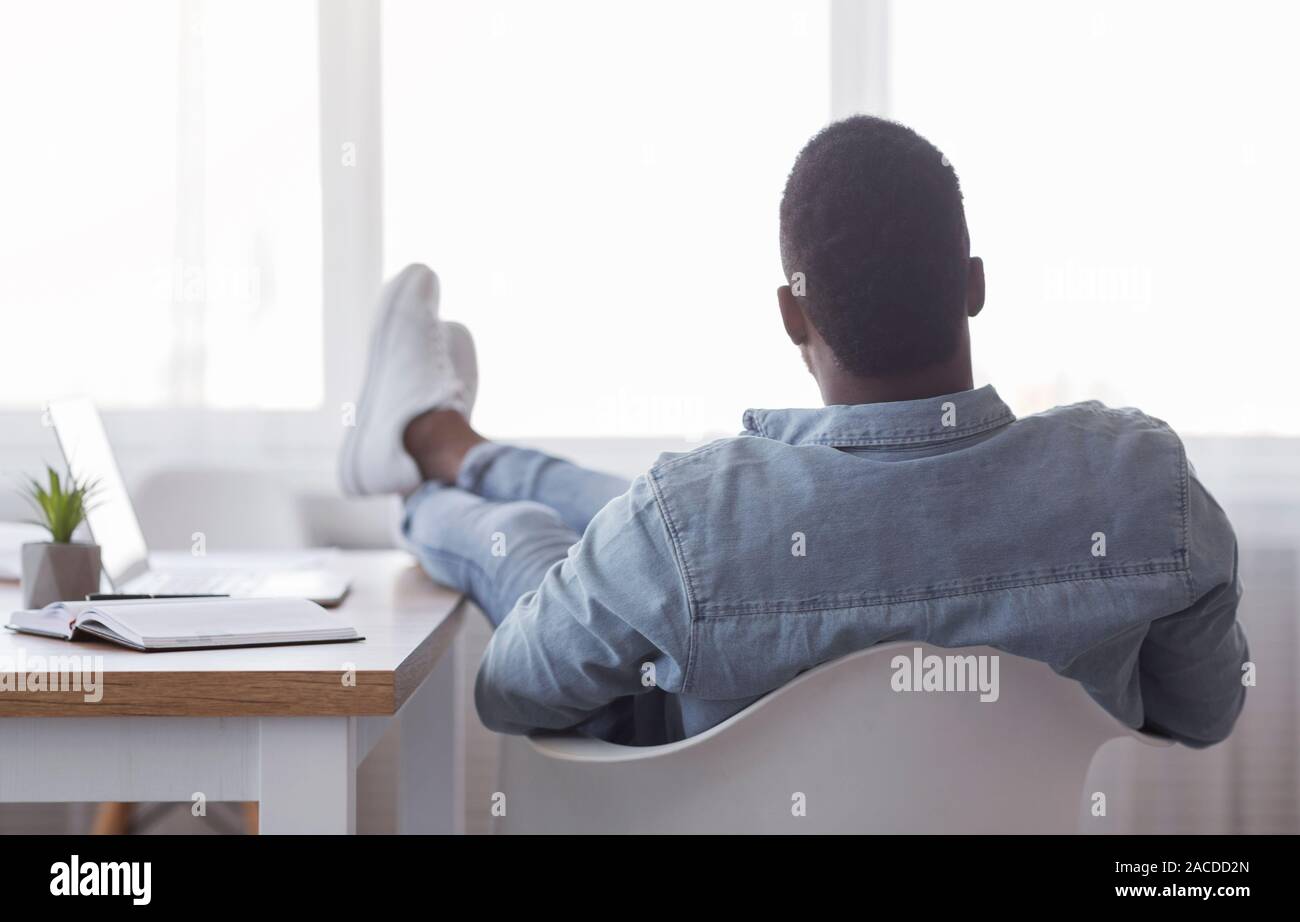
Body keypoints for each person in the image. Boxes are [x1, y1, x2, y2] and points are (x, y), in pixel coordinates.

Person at [340, 115, 1248, 748]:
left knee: (575, 550)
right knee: (646, 544)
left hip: (686, 716)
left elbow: (508, 688)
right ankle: (454, 442)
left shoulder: (694, 515)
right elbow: (1202, 714)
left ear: (790, 313)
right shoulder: (1140, 487)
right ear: (973, 282)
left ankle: (425, 454)